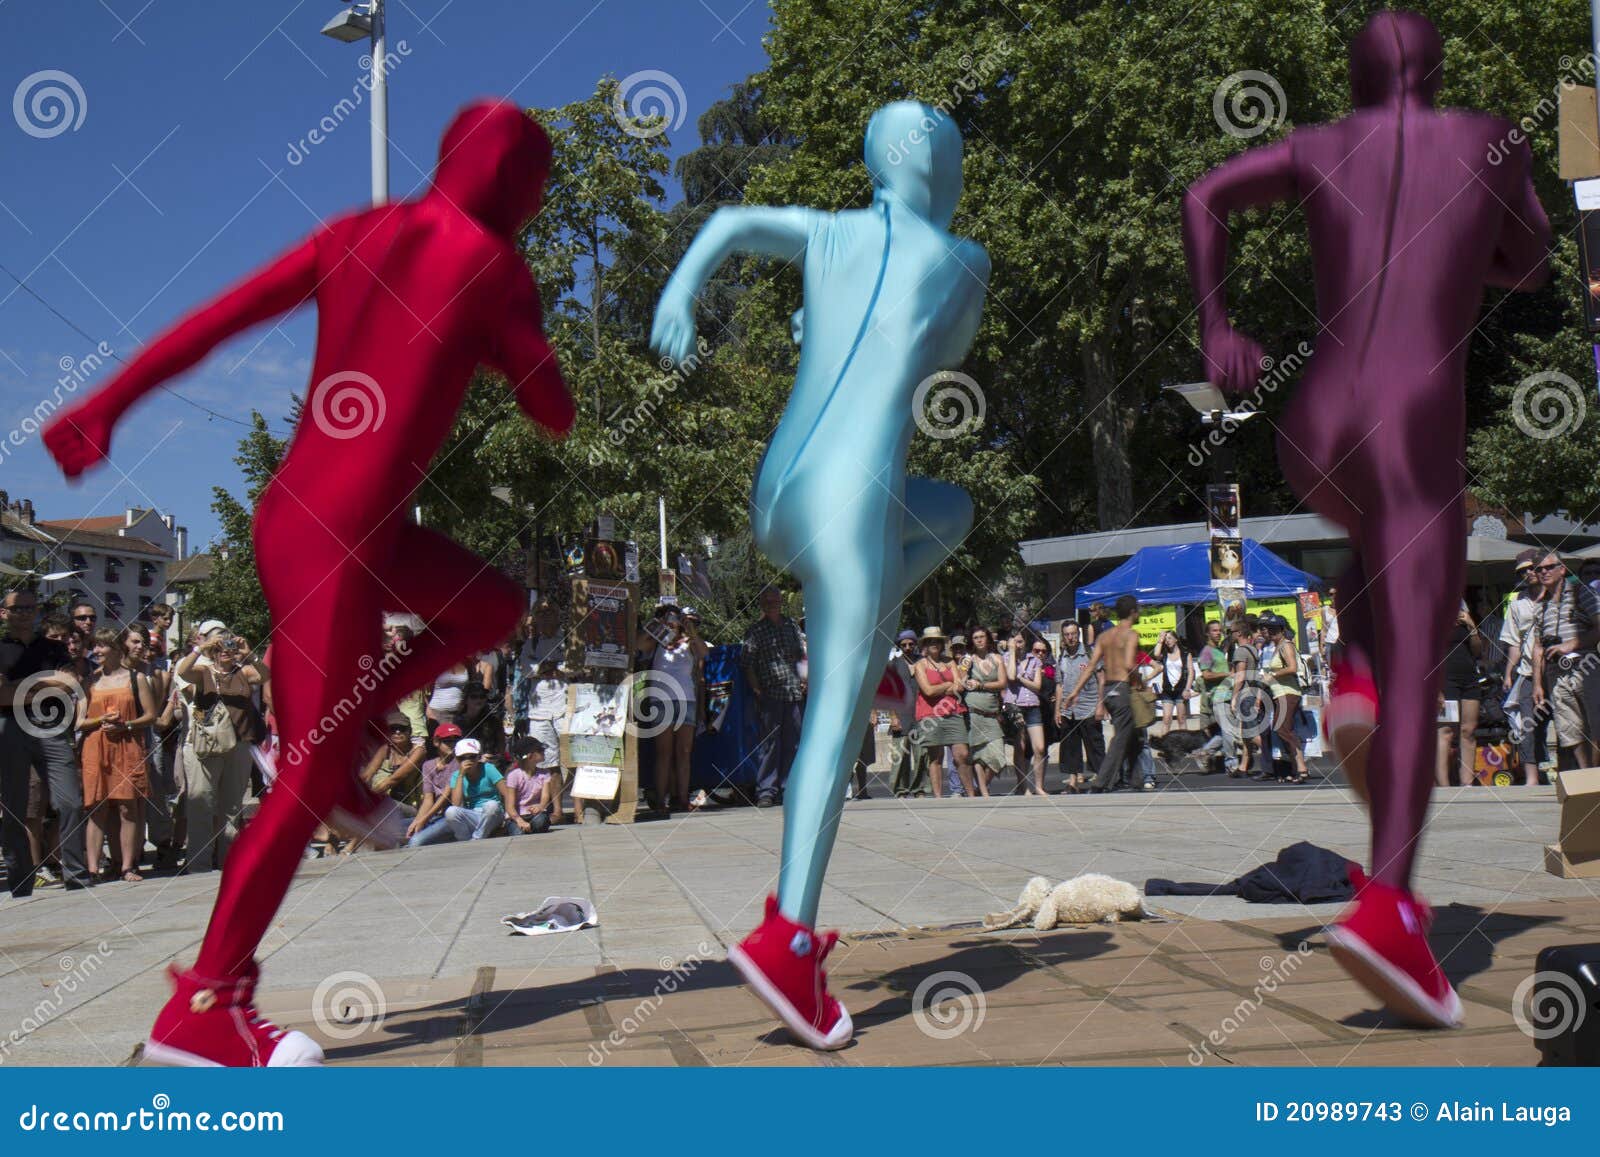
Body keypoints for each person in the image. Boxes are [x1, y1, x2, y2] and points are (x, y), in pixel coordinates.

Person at [44, 100, 573, 1066]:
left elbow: (217, 320)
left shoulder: (356, 232)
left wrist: (106, 403)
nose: (536, 203)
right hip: (339, 542)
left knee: (491, 604)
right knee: (305, 780)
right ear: (509, 178)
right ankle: (205, 1005)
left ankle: (352, 733)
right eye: (537, 183)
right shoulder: (496, 265)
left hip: (325, 524)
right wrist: (521, 343)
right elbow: (556, 409)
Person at [1183, 9, 1550, 1027]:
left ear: (1354, 75)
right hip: (1411, 424)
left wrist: (1218, 324)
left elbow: (1204, 194)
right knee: (1419, 666)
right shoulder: (1490, 140)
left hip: (1313, 422)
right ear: (1436, 69)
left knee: (1375, 576)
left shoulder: (1318, 146)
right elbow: (1531, 262)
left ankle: (1350, 665)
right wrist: (1464, 248)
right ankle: (1389, 905)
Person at [653, 100, 989, 1051]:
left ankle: (872, 640)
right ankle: (789, 939)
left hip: (780, 497)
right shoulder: (965, 259)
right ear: (939, 170)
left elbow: (729, 222)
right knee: (833, 738)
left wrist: (680, 297)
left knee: (951, 511)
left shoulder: (831, 233)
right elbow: (946, 349)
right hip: (851, 504)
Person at [0, 588, 92, 894]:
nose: (25, 613)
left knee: (70, 802)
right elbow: (1, 696)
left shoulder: (53, 647)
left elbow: (71, 683)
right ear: (4, 613)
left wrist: (18, 687)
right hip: (11, 728)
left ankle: (76, 874)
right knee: (15, 808)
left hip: (51, 727)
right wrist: (46, 685)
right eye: (18, 609)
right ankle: (21, 881)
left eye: (30, 608)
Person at [175, 630, 266, 873]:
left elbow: (265, 676)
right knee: (201, 801)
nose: (225, 650)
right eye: (220, 647)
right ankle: (199, 865)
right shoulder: (204, 672)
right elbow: (182, 671)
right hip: (207, 744)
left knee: (232, 806)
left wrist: (249, 654)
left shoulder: (244, 672)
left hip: (239, 744)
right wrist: (201, 648)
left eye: (230, 646)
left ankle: (228, 861)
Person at [80, 627, 159, 881]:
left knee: (128, 807)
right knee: (97, 808)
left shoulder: (136, 679)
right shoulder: (90, 681)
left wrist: (126, 725)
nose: (96, 651)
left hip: (128, 746)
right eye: (94, 646)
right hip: (96, 748)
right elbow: (79, 722)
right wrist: (101, 720)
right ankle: (93, 869)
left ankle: (128, 866)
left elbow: (151, 715)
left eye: (101, 645)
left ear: (116, 649)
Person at [1065, 596, 1143, 793]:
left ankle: (1137, 780)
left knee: (1133, 734)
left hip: (1108, 689)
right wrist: (1140, 683)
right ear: (1133, 612)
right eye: (1138, 610)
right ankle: (1101, 781)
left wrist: (1075, 691)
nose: (1139, 613)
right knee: (1121, 737)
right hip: (1122, 688)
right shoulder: (1131, 634)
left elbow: (1091, 666)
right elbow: (1129, 664)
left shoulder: (1105, 636)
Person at [1530, 551, 1600, 771]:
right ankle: (1586, 775)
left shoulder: (1582, 592)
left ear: (1562, 569)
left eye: (1549, 567)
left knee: (1596, 724)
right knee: (1570, 730)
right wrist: (1537, 684)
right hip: (1556, 673)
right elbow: (1538, 647)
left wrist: (1570, 645)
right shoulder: (1540, 605)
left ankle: (1596, 776)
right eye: (1539, 569)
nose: (1544, 572)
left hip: (1585, 666)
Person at [638, 605, 707, 813]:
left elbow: (704, 652)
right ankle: (661, 800)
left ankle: (683, 799)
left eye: (676, 618)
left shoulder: (689, 642)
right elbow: (640, 645)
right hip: (662, 700)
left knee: (684, 752)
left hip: (686, 699)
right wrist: (658, 627)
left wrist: (690, 630)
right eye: (669, 617)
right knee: (664, 752)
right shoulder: (657, 642)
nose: (673, 621)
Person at [741, 588, 806, 808]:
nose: (771, 604)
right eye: (767, 601)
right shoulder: (755, 631)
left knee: (793, 744)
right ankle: (766, 791)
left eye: (775, 600)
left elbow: (801, 655)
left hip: (794, 691)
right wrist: (757, 690)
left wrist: (804, 679)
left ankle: (789, 789)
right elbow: (747, 663)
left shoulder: (791, 626)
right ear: (761, 604)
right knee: (769, 745)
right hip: (770, 694)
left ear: (780, 602)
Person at [1499, 549, 1546, 784]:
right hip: (1527, 671)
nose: (1529, 573)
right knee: (1528, 725)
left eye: (1532, 567)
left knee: (1563, 722)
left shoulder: (1555, 596)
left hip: (1555, 669)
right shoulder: (1517, 603)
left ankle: (1568, 772)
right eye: (1523, 571)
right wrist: (1509, 673)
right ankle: (1532, 778)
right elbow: (1514, 643)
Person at [911, 628, 973, 799]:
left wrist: (948, 687)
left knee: (962, 754)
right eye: (930, 641)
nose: (935, 644)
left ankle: (971, 794)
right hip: (930, 714)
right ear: (925, 644)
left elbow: (960, 687)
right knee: (935, 757)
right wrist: (947, 686)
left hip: (953, 711)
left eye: (937, 641)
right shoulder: (920, 665)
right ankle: (938, 798)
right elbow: (928, 691)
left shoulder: (950, 662)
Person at [1053, 621, 1105, 794]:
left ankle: (1102, 780)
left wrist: (1101, 705)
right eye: (1067, 634)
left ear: (1078, 634)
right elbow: (1059, 685)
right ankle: (1073, 782)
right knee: (1070, 748)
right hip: (1068, 710)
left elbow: (1101, 680)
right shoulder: (1061, 656)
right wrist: (1058, 710)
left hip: (1088, 706)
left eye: (1073, 633)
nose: (1071, 637)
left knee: (1095, 746)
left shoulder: (1089, 653)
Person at [1437, 601, 1484, 787]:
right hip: (1446, 680)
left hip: (1469, 678)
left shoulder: (1465, 621)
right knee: (1446, 731)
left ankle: (1467, 782)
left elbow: (1477, 650)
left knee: (1468, 730)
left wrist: (1472, 627)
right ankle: (1444, 785)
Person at [1262, 614, 1309, 783]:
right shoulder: (1276, 646)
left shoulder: (1285, 645)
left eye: (1275, 629)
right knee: (1283, 729)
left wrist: (1272, 675)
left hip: (1288, 693)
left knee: (1283, 729)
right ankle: (1297, 769)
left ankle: (1301, 768)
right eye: (1269, 629)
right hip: (1280, 694)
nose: (1271, 632)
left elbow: (1292, 668)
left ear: (1282, 630)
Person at [961, 627, 1005, 795]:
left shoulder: (997, 658)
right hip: (973, 711)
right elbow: (960, 680)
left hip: (992, 713)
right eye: (975, 637)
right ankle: (984, 792)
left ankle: (980, 788)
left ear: (988, 639)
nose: (979, 640)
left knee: (999, 756)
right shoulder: (968, 659)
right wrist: (965, 676)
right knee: (977, 754)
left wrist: (981, 685)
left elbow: (1002, 683)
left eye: (982, 637)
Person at [444, 738, 516, 840]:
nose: (468, 761)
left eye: (472, 757)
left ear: (479, 756)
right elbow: (456, 804)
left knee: (491, 805)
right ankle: (464, 841)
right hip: (473, 813)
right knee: (450, 812)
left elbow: (506, 793)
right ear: (457, 759)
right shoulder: (456, 776)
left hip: (493, 814)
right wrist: (461, 775)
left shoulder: (488, 768)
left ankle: (476, 839)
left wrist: (508, 814)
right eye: (462, 758)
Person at [1006, 632, 1050, 795]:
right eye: (1014, 642)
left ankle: (1039, 786)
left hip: (1032, 704)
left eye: (1020, 641)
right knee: (1021, 747)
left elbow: (1037, 686)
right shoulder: (1007, 658)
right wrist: (1012, 652)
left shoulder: (1034, 660)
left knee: (1040, 747)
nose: (1017, 645)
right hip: (1015, 705)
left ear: (1025, 643)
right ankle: (1022, 786)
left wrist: (1022, 679)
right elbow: (1011, 676)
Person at [406, 723, 462, 847]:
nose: (452, 744)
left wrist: (423, 820)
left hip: (451, 816)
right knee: (395, 830)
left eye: (456, 740)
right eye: (447, 741)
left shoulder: (459, 763)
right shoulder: (428, 765)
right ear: (436, 742)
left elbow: (446, 796)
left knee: (415, 842)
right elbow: (428, 799)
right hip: (434, 815)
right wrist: (417, 821)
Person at [886, 630, 922, 797]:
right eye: (904, 645)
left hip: (921, 715)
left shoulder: (922, 662)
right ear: (899, 646)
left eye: (911, 644)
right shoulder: (894, 664)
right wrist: (893, 717)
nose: (908, 647)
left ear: (915, 644)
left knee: (921, 755)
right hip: (901, 715)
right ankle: (900, 790)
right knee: (900, 757)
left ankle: (920, 789)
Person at [503, 736, 557, 834]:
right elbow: (509, 806)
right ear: (530, 756)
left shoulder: (544, 774)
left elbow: (545, 797)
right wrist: (519, 820)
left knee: (541, 821)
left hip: (535, 814)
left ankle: (531, 828)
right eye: (540, 750)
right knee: (518, 832)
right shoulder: (513, 775)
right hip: (515, 816)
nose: (543, 752)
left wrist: (541, 806)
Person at [1150, 630, 1193, 728]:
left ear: (1176, 639)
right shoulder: (1165, 654)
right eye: (1166, 639)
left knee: (1181, 718)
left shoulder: (1185, 654)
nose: (1167, 641)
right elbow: (1156, 654)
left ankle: (1184, 737)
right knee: (1166, 719)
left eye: (1169, 638)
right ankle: (1164, 738)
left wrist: (1187, 689)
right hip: (1167, 690)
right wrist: (1160, 640)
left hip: (1181, 689)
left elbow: (1191, 672)